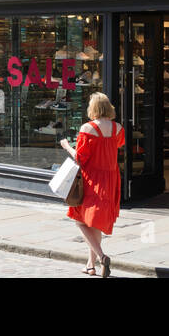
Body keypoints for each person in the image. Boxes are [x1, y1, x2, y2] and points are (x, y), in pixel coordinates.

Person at [59, 91, 124, 277]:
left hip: (92, 179)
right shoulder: (118, 128)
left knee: (80, 221)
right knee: (94, 223)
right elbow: (117, 145)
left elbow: (80, 158)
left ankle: (103, 257)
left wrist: (66, 146)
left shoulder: (87, 129)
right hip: (110, 178)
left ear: (92, 108)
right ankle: (90, 265)